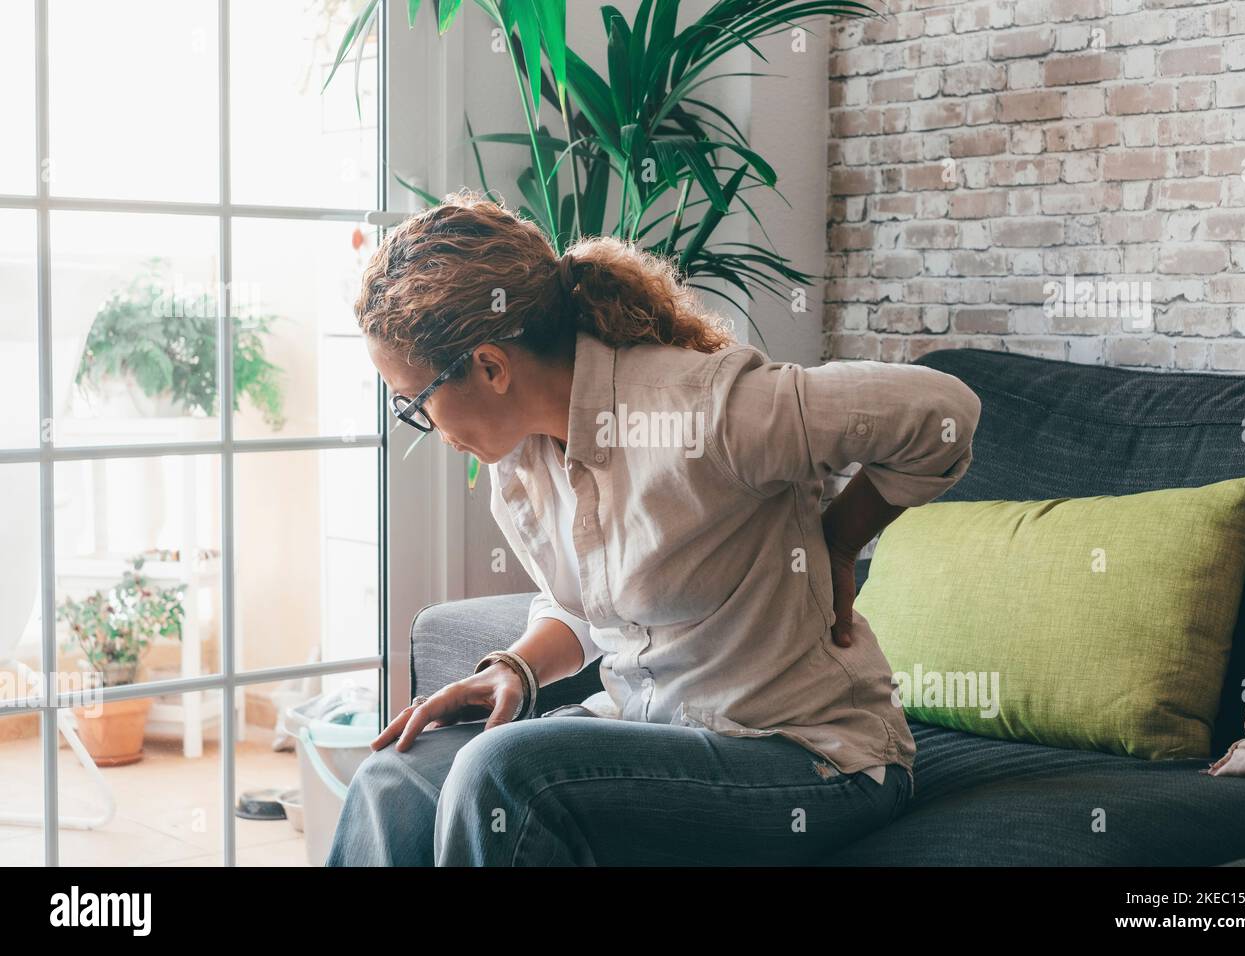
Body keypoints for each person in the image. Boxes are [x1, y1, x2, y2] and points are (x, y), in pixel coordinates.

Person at [325, 187, 981, 866]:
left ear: (491, 367)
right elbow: (585, 602)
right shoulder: (524, 457)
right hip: (648, 729)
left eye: (416, 402)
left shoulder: (705, 411)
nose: (425, 427)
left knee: (503, 771)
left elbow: (943, 413)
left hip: (808, 757)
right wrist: (517, 669)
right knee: (393, 781)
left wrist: (840, 541)